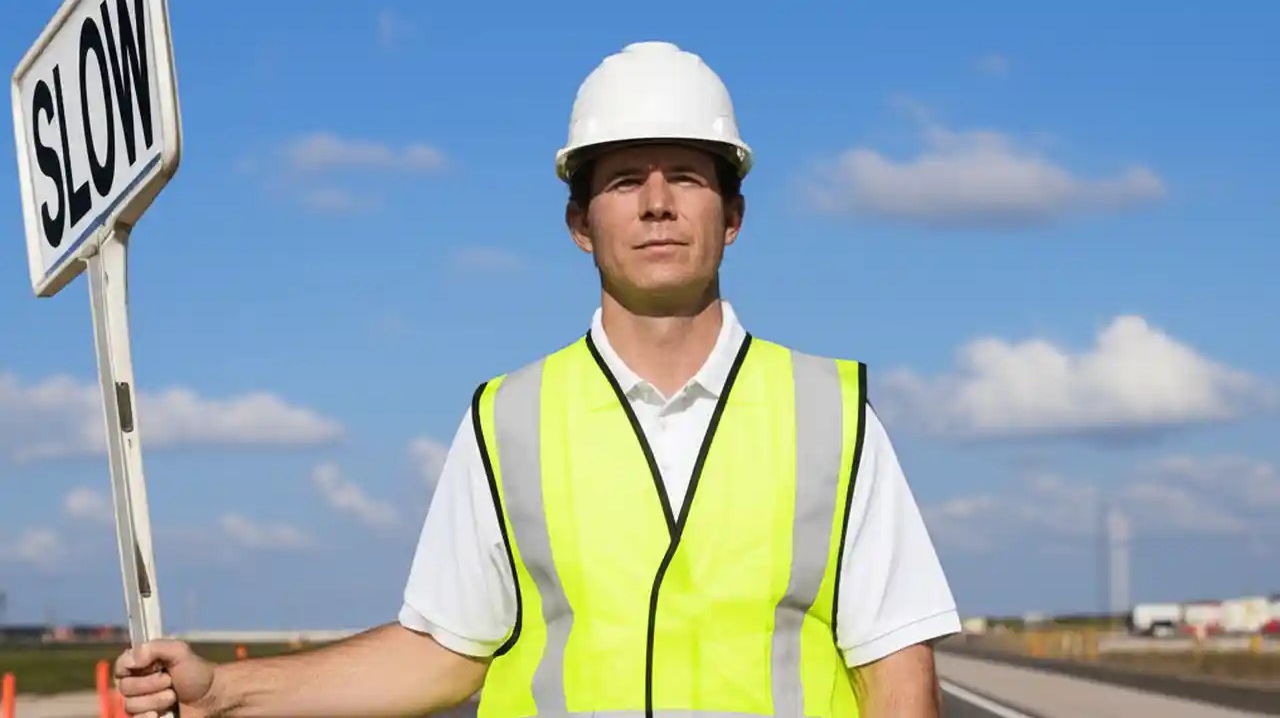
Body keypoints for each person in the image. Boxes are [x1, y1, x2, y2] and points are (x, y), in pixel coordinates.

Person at [115, 41, 960, 718]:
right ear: (579, 225)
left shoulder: (832, 413)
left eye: (687, 178)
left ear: (731, 216)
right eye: (626, 180)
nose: (657, 203)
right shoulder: (507, 421)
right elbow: (443, 651)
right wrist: (229, 691)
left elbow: (894, 668)